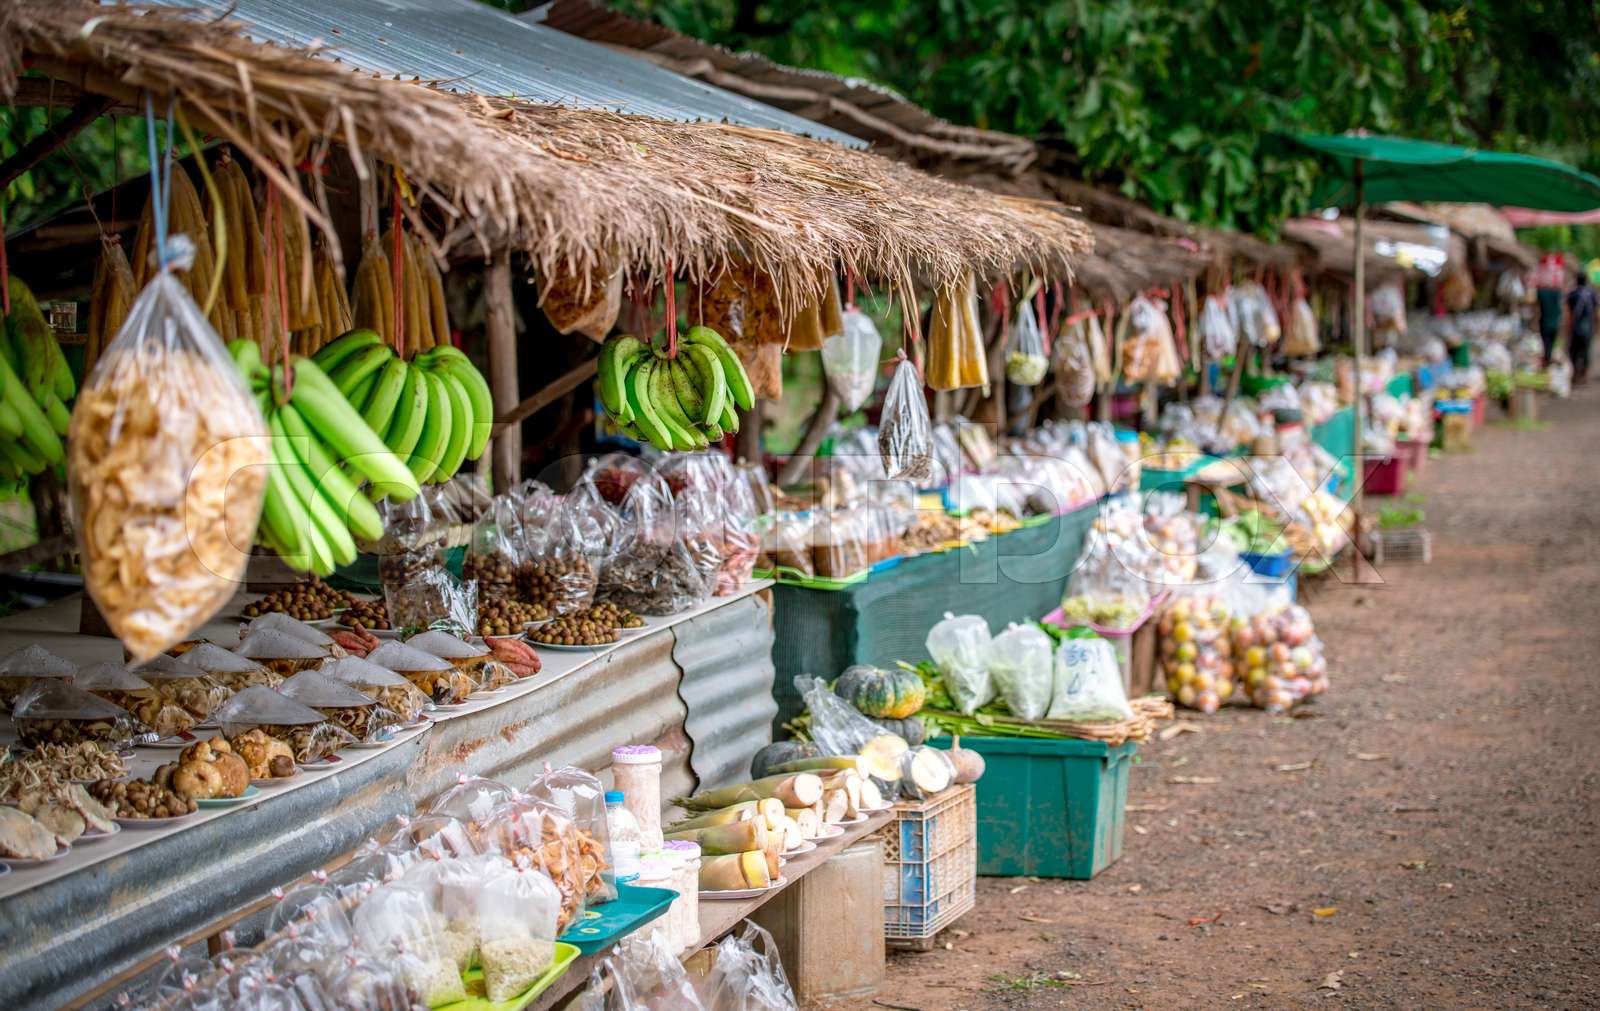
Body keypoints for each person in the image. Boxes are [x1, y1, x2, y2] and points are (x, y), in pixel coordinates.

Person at [1567, 275, 1597, 383]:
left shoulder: (1573, 294)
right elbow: (1595, 312)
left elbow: (1569, 313)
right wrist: (1596, 327)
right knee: (1586, 350)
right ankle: (1584, 374)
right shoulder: (1592, 294)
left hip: (1576, 326)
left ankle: (1576, 373)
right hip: (1588, 326)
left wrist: (1568, 328)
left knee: (1574, 350)